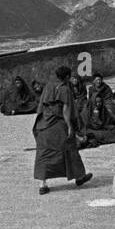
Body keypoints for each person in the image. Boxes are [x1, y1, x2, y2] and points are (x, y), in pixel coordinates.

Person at [33, 65, 92, 194]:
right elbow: (66, 110)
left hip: (44, 124)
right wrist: (71, 127)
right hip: (58, 125)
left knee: (44, 153)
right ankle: (79, 177)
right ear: (66, 77)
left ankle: (42, 185)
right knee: (70, 149)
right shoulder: (65, 89)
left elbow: (41, 105)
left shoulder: (48, 86)